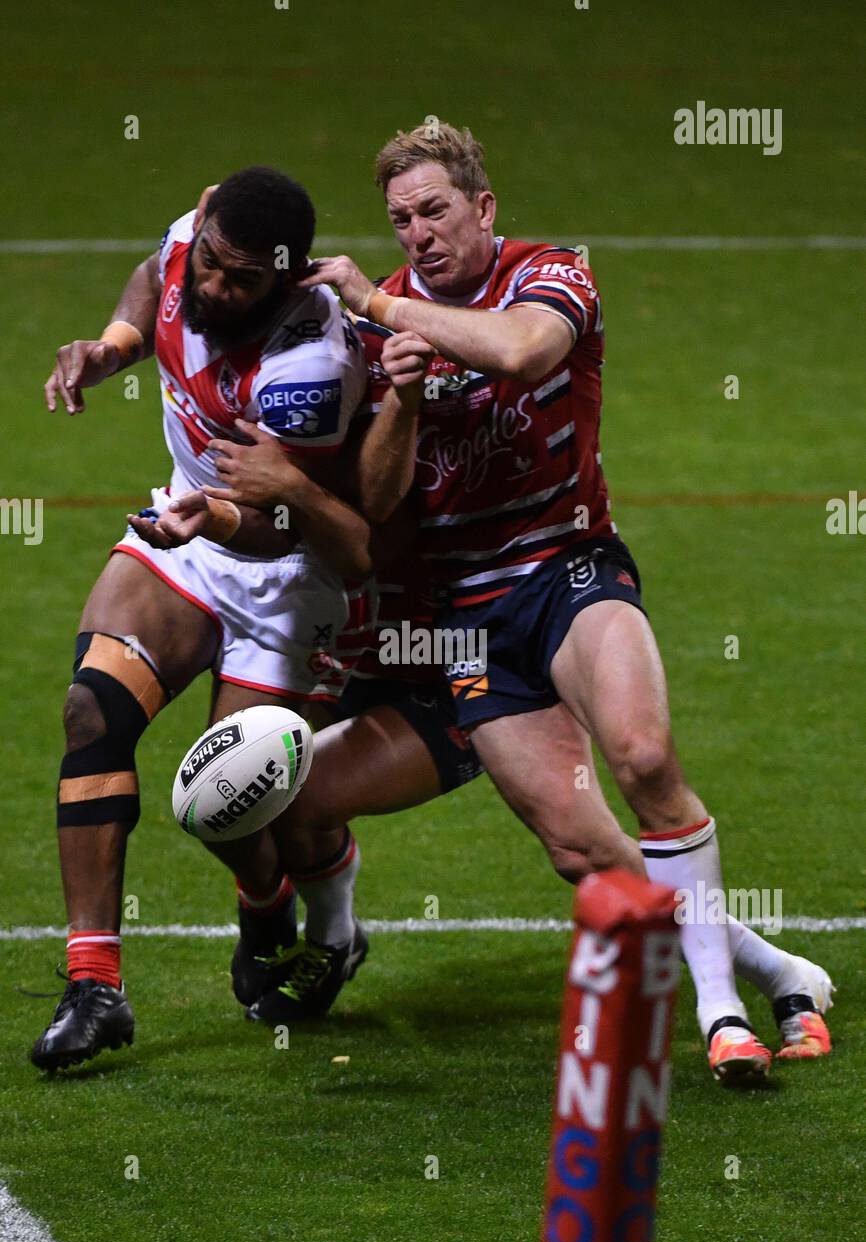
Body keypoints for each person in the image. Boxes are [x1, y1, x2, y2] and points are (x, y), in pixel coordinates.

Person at [288, 121, 833, 1081]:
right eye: (400, 219)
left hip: (567, 566)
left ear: (483, 207)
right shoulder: (383, 330)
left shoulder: (551, 274)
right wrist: (404, 400)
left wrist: (382, 303)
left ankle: (718, 1018)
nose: (417, 233)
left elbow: (528, 353)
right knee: (580, 850)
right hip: (465, 620)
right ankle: (778, 968)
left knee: (645, 756)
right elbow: (375, 504)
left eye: (435, 211)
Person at [33, 166, 377, 1072]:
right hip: (188, 532)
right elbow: (157, 277)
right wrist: (112, 347)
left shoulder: (308, 369)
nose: (215, 288)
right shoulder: (200, 237)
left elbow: (279, 524)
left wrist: (216, 515)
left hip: (290, 573)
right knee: (90, 713)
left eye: (241, 281)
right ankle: (94, 984)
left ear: (291, 276)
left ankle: (272, 910)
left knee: (232, 801)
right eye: (211, 269)